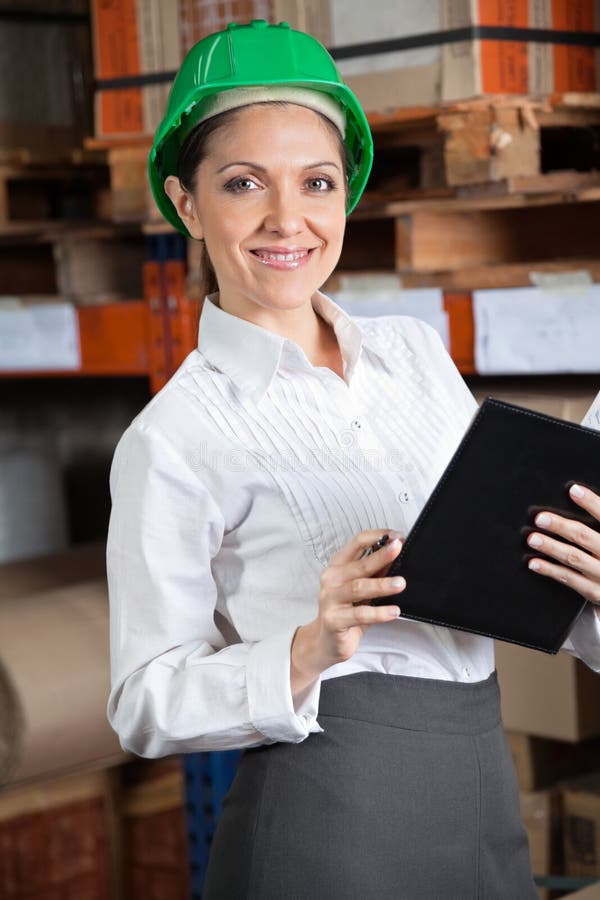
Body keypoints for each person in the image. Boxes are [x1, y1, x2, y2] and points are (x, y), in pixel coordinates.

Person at [106, 20, 600, 899]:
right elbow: (142, 702)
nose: (286, 220)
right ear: (187, 203)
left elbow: (498, 572)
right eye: (243, 183)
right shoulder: (174, 435)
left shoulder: (413, 355)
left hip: (484, 793)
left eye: (317, 183)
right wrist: (308, 645)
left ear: (346, 195)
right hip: (328, 822)